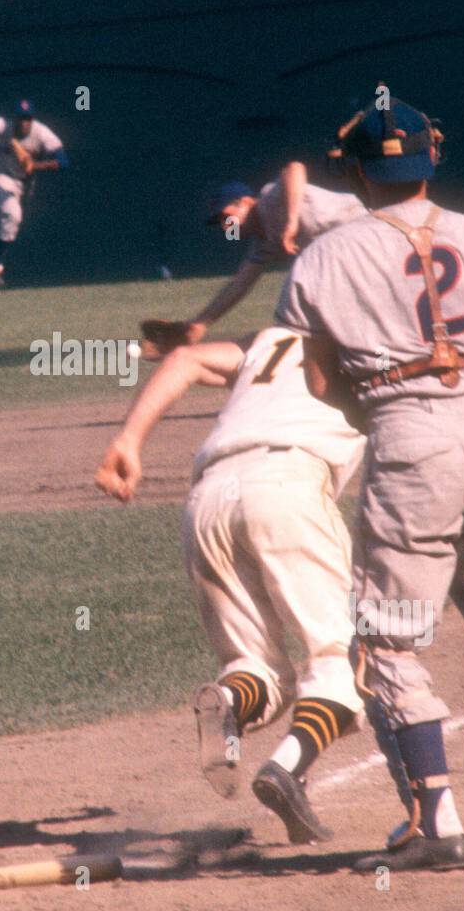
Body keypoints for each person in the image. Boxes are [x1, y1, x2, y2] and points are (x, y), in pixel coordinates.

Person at [277, 92, 464, 871]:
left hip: (408, 439)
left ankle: (436, 824)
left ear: (350, 170)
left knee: (388, 637)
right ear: (432, 158)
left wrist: (389, 409)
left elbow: (317, 381)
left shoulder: (323, 254)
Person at [95, 327, 366, 844]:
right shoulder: (380, 332)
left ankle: (228, 699)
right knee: (341, 661)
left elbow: (187, 358)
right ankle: (286, 768)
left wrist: (128, 439)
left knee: (257, 669)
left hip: (208, 496)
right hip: (288, 486)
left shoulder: (272, 337)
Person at [180, 163, 365, 347]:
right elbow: (239, 284)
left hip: (372, 223)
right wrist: (201, 323)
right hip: (356, 253)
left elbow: (294, 168)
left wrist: (291, 222)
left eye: (226, 216)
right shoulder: (263, 244)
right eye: (220, 221)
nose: (225, 226)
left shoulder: (269, 198)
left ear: (245, 202)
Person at [0, 99, 67, 290]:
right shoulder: (2, 127)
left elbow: (63, 161)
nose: (24, 122)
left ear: (32, 119)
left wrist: (35, 165)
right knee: (13, 214)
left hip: (23, 186)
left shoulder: (41, 133)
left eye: (27, 118)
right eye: (20, 118)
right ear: (14, 118)